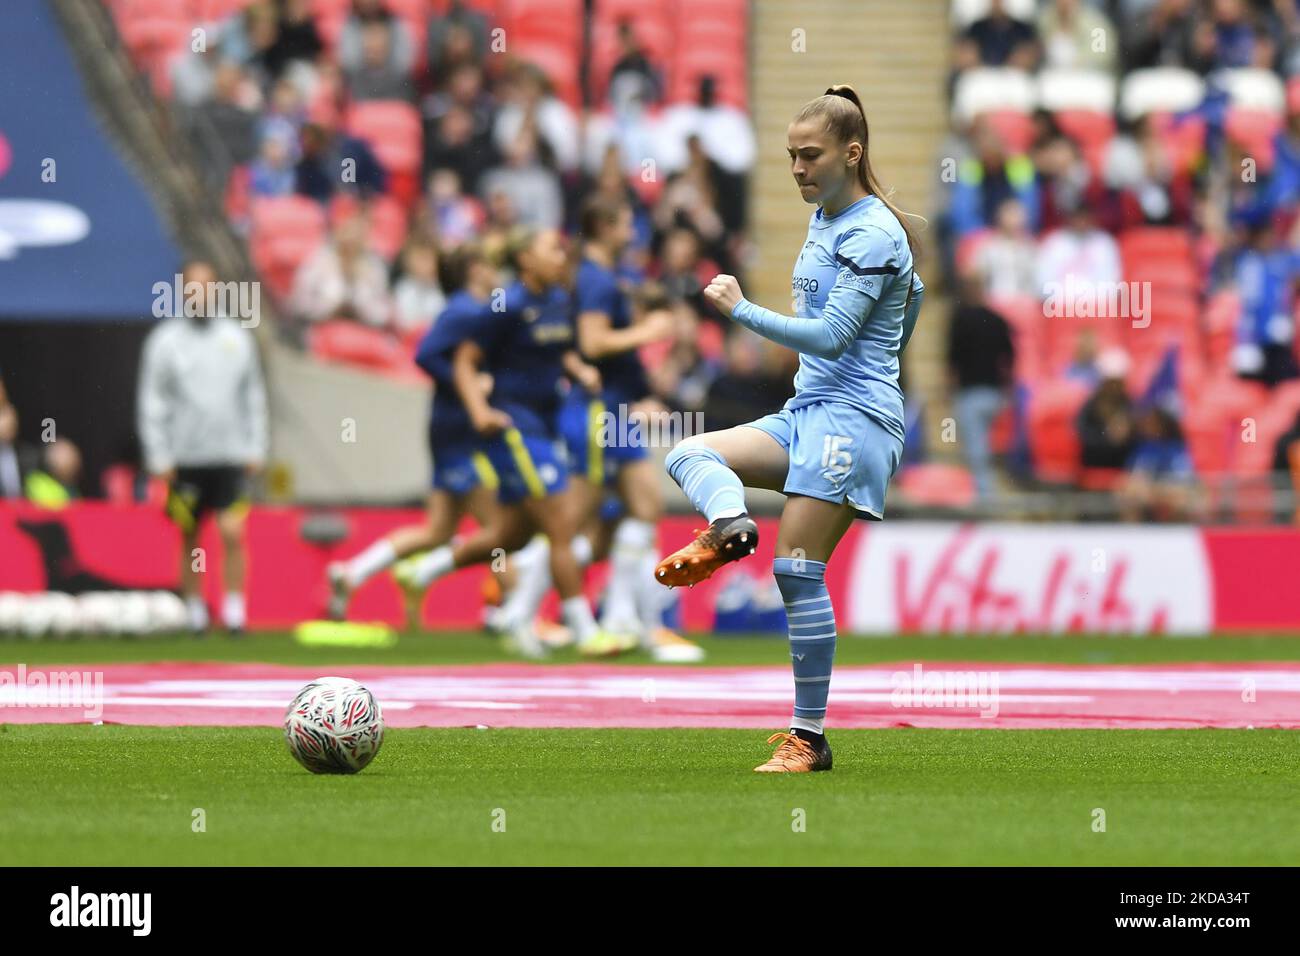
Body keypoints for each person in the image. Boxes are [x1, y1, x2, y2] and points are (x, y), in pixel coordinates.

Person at [654, 86, 924, 772]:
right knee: (690, 451)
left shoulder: (872, 231)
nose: (798, 169)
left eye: (810, 156)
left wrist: (742, 310)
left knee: (798, 571)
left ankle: (809, 739)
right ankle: (727, 528)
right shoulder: (827, 217)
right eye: (790, 157)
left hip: (854, 420)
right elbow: (912, 298)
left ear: (851, 153)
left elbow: (834, 337)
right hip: (809, 411)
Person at [396, 228, 623, 657]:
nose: (561, 256)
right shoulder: (506, 306)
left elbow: (558, 350)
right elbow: (463, 360)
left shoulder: (558, 300)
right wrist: (480, 411)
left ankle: (426, 569)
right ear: (525, 262)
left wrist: (577, 369)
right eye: (551, 249)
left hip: (545, 424)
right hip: (514, 428)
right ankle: (582, 627)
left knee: (512, 535)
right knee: (560, 523)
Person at [550, 195, 701, 661]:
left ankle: (625, 620)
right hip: (601, 412)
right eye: (624, 220)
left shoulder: (599, 275)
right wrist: (648, 332)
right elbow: (593, 342)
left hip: (616, 410)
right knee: (572, 521)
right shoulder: (595, 278)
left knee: (631, 512)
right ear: (602, 226)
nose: (633, 229)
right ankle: (524, 607)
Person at [327, 243, 504, 627]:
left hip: (450, 429)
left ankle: (352, 573)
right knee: (503, 528)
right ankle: (504, 612)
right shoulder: (465, 310)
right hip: (464, 433)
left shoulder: (467, 310)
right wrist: (471, 383)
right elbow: (425, 354)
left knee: (438, 531)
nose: (496, 273)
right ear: (474, 269)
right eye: (489, 264)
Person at [137, 260, 268, 635]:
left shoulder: (236, 338)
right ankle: (194, 609)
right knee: (190, 536)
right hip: (186, 458)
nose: (200, 294)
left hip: (229, 456)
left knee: (232, 533)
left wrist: (255, 445)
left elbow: (253, 396)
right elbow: (152, 402)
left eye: (207, 286)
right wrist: (158, 454)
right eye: (193, 287)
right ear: (182, 292)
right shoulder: (165, 341)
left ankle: (234, 610)